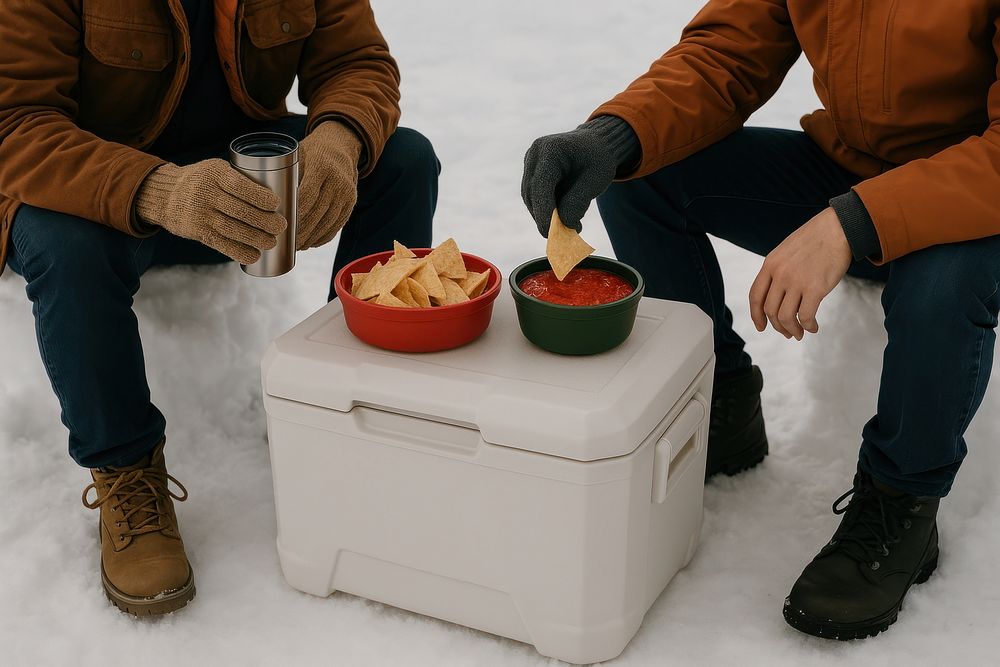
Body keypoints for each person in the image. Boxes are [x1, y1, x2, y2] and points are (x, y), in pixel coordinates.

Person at [521, 0, 1000, 640]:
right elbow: (729, 52)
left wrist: (851, 222)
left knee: (940, 290)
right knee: (647, 172)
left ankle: (900, 500)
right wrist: (614, 138)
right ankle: (723, 401)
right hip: (856, 169)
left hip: (978, 198)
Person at [0, 0, 439, 616]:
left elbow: (357, 61)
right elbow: (14, 123)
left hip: (235, 178)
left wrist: (340, 138)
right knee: (61, 243)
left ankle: (347, 410)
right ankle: (126, 473)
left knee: (403, 160)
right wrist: (155, 188)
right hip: (90, 188)